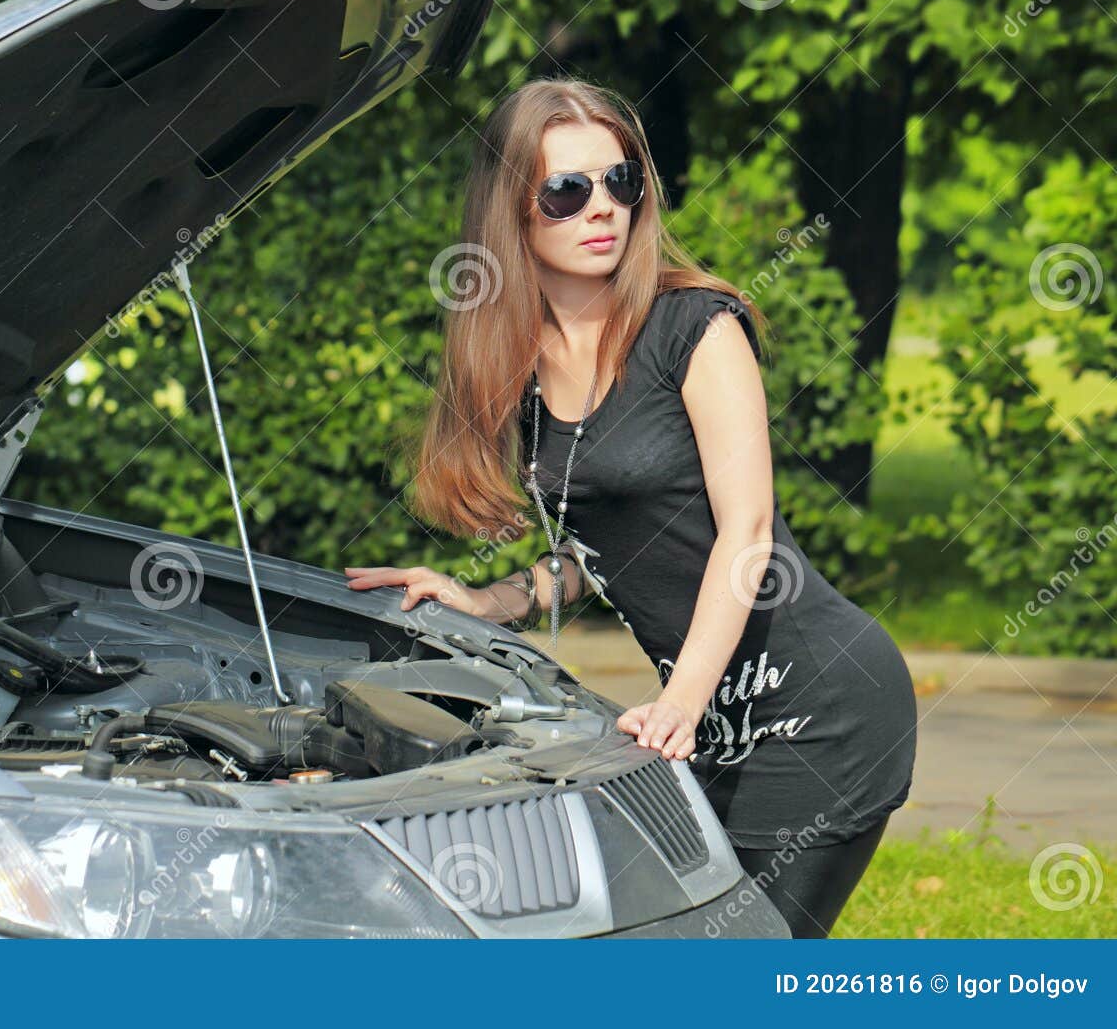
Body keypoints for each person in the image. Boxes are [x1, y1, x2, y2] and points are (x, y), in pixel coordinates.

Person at [344, 77, 917, 938]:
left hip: (822, 709)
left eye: (621, 181)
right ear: (513, 211)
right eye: (567, 191)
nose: (601, 208)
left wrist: (680, 702)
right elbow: (609, 541)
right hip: (703, 722)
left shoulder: (694, 326)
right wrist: (492, 598)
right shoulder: (521, 368)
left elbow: (747, 534)